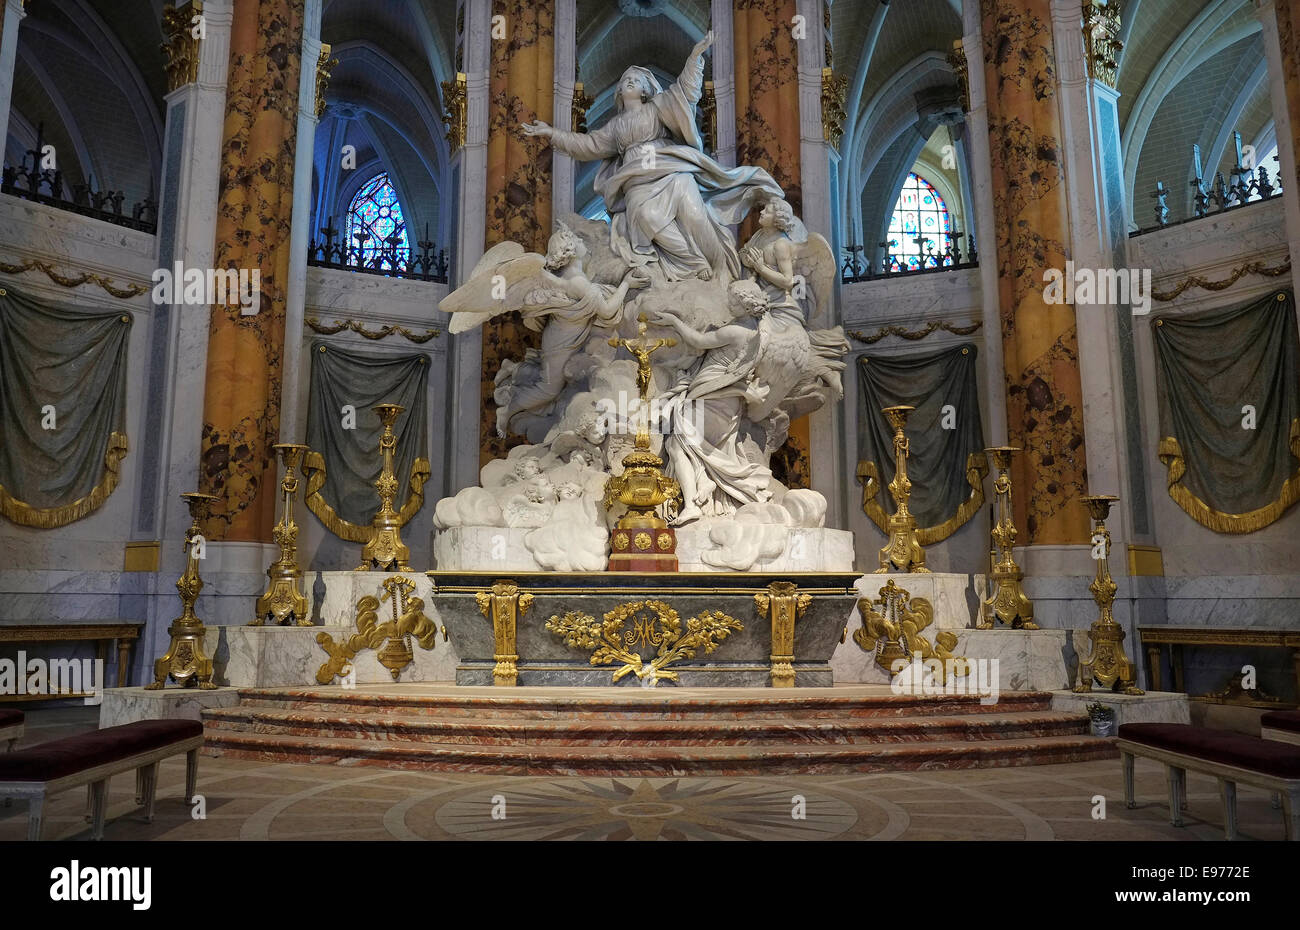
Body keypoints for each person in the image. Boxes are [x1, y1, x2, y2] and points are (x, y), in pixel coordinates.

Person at [521, 31, 783, 284]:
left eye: (636, 78)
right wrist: (551, 133)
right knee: (645, 217)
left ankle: (720, 268)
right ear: (619, 91)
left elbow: (685, 92)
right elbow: (587, 144)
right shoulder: (616, 125)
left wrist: (695, 58)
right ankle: (693, 262)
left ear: (647, 89)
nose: (630, 81)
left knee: (694, 213)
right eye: (626, 79)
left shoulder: (658, 107)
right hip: (635, 180)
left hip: (670, 168)